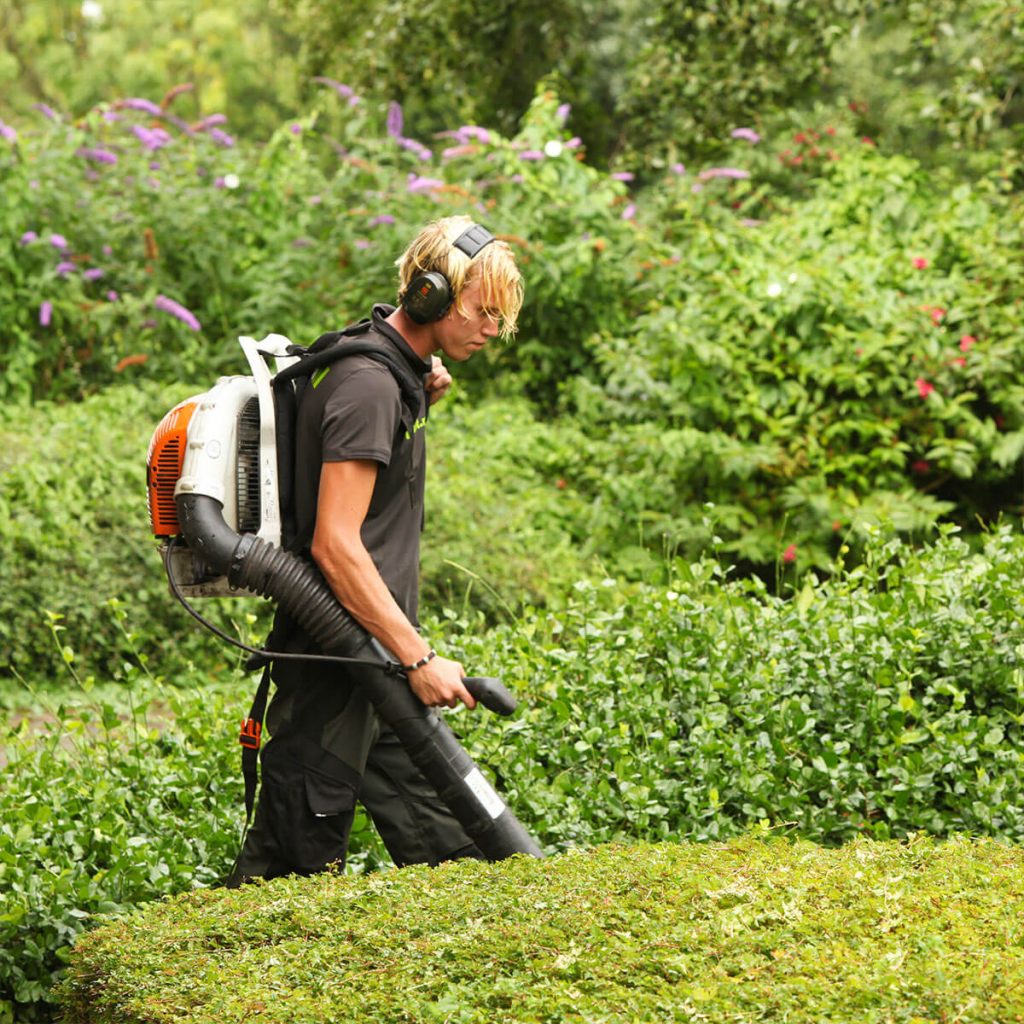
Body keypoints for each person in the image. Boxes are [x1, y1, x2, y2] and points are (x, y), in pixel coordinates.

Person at [228, 215, 524, 882]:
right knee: (288, 872)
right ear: (431, 294)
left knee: (456, 848)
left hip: (374, 661)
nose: (492, 329)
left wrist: (418, 390)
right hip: (338, 664)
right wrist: (418, 656)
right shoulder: (370, 385)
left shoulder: (391, 373)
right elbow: (335, 546)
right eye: (484, 311)